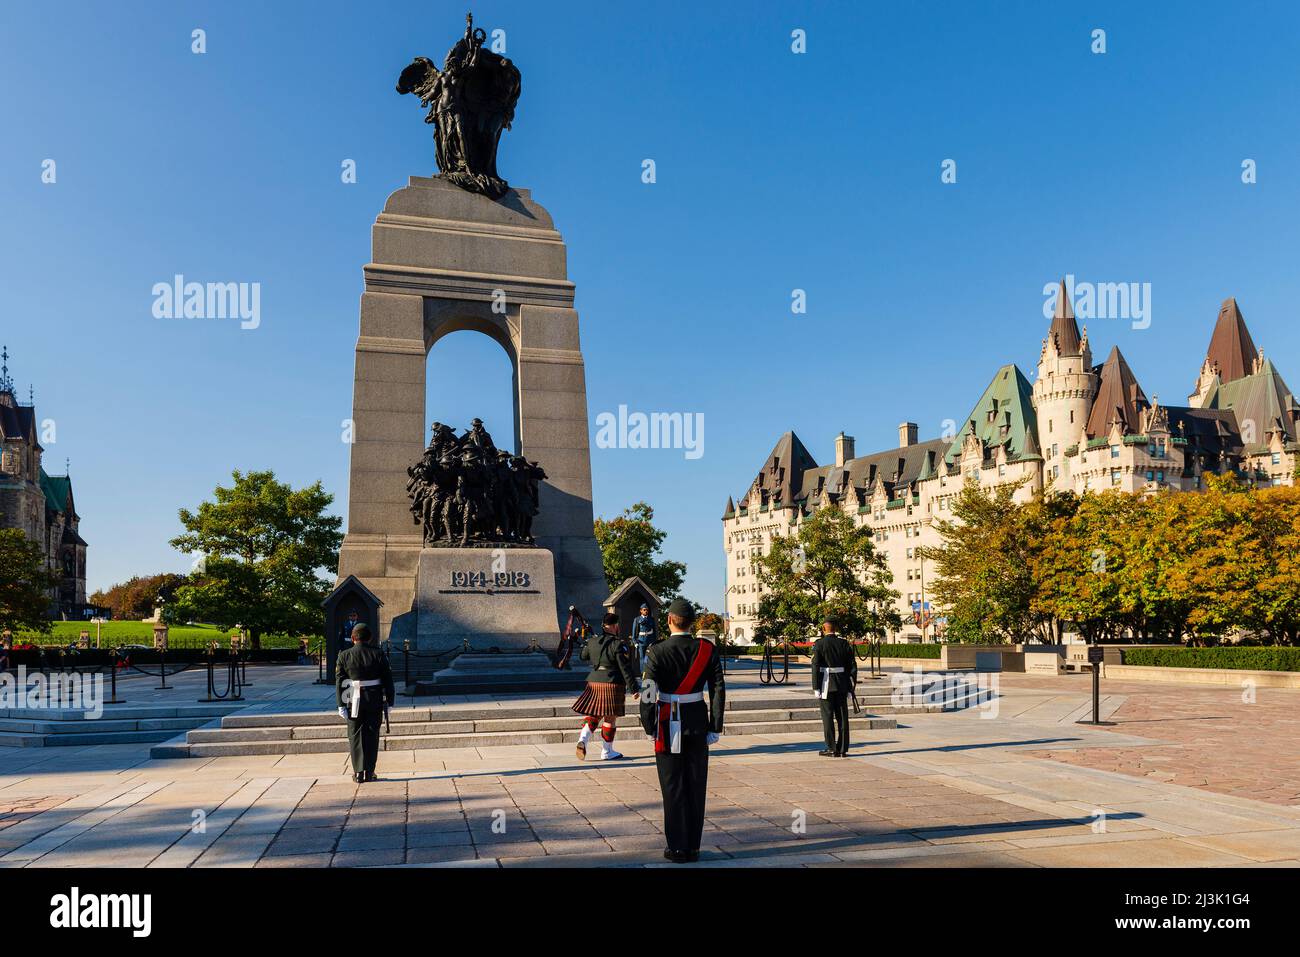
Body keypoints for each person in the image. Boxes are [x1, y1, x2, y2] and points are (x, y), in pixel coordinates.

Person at [640, 598, 725, 863]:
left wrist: (649, 724)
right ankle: (693, 847)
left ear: (668, 621)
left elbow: (648, 692)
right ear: (692, 623)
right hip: (697, 721)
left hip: (667, 722)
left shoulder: (657, 650)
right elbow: (718, 689)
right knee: (696, 785)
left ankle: (676, 847)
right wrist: (715, 725)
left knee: (672, 785)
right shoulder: (706, 649)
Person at [572, 612, 639, 760]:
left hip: (594, 682)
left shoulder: (593, 641)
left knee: (594, 714)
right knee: (610, 718)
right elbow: (625, 668)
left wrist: (588, 644)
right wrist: (634, 688)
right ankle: (607, 752)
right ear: (615, 626)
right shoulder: (618, 644)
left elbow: (583, 657)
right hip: (612, 683)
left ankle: (582, 739)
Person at [334, 622, 395, 783]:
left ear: (353, 637)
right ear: (370, 638)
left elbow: (340, 682)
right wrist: (390, 701)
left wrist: (340, 704)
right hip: (374, 699)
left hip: (352, 700)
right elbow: (388, 680)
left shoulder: (344, 655)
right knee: (372, 734)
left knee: (355, 736)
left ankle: (358, 772)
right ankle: (369, 771)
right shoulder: (378, 654)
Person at [810, 616, 857, 757]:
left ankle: (831, 748)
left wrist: (816, 687)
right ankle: (842, 749)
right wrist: (851, 688)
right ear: (835, 629)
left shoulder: (819, 644)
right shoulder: (844, 644)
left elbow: (815, 666)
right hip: (842, 684)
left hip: (826, 684)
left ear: (824, 628)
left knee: (827, 717)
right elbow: (852, 666)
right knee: (842, 718)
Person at [630, 602, 658, 671]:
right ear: (641, 610)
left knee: (650, 657)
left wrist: (654, 641)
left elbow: (654, 631)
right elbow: (634, 634)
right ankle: (643, 673)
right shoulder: (637, 619)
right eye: (644, 610)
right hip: (641, 641)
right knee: (642, 658)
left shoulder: (651, 619)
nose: (646, 611)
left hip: (650, 641)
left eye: (647, 610)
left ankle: (650, 672)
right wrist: (635, 642)